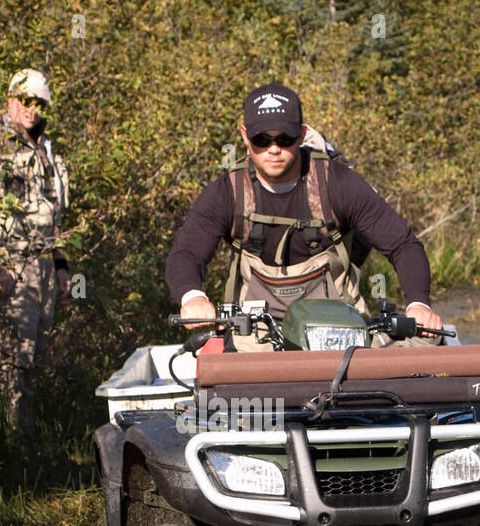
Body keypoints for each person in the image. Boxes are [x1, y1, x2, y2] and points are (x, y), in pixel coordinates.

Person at [166, 83, 443, 344]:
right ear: (244, 136)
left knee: (430, 346)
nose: (274, 149)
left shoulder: (338, 182)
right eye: (262, 139)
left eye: (284, 139)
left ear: (301, 134)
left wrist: (418, 304)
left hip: (340, 329)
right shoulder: (227, 192)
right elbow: (187, 254)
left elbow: (403, 244)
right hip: (255, 333)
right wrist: (193, 297)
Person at [0, 68, 70, 434]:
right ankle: (9, 448)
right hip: (12, 265)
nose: (32, 109)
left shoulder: (46, 149)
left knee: (35, 358)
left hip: (45, 266)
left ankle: (27, 444)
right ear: (11, 101)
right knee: (13, 360)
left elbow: (55, 216)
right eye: (26, 100)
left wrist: (61, 266)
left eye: (39, 102)